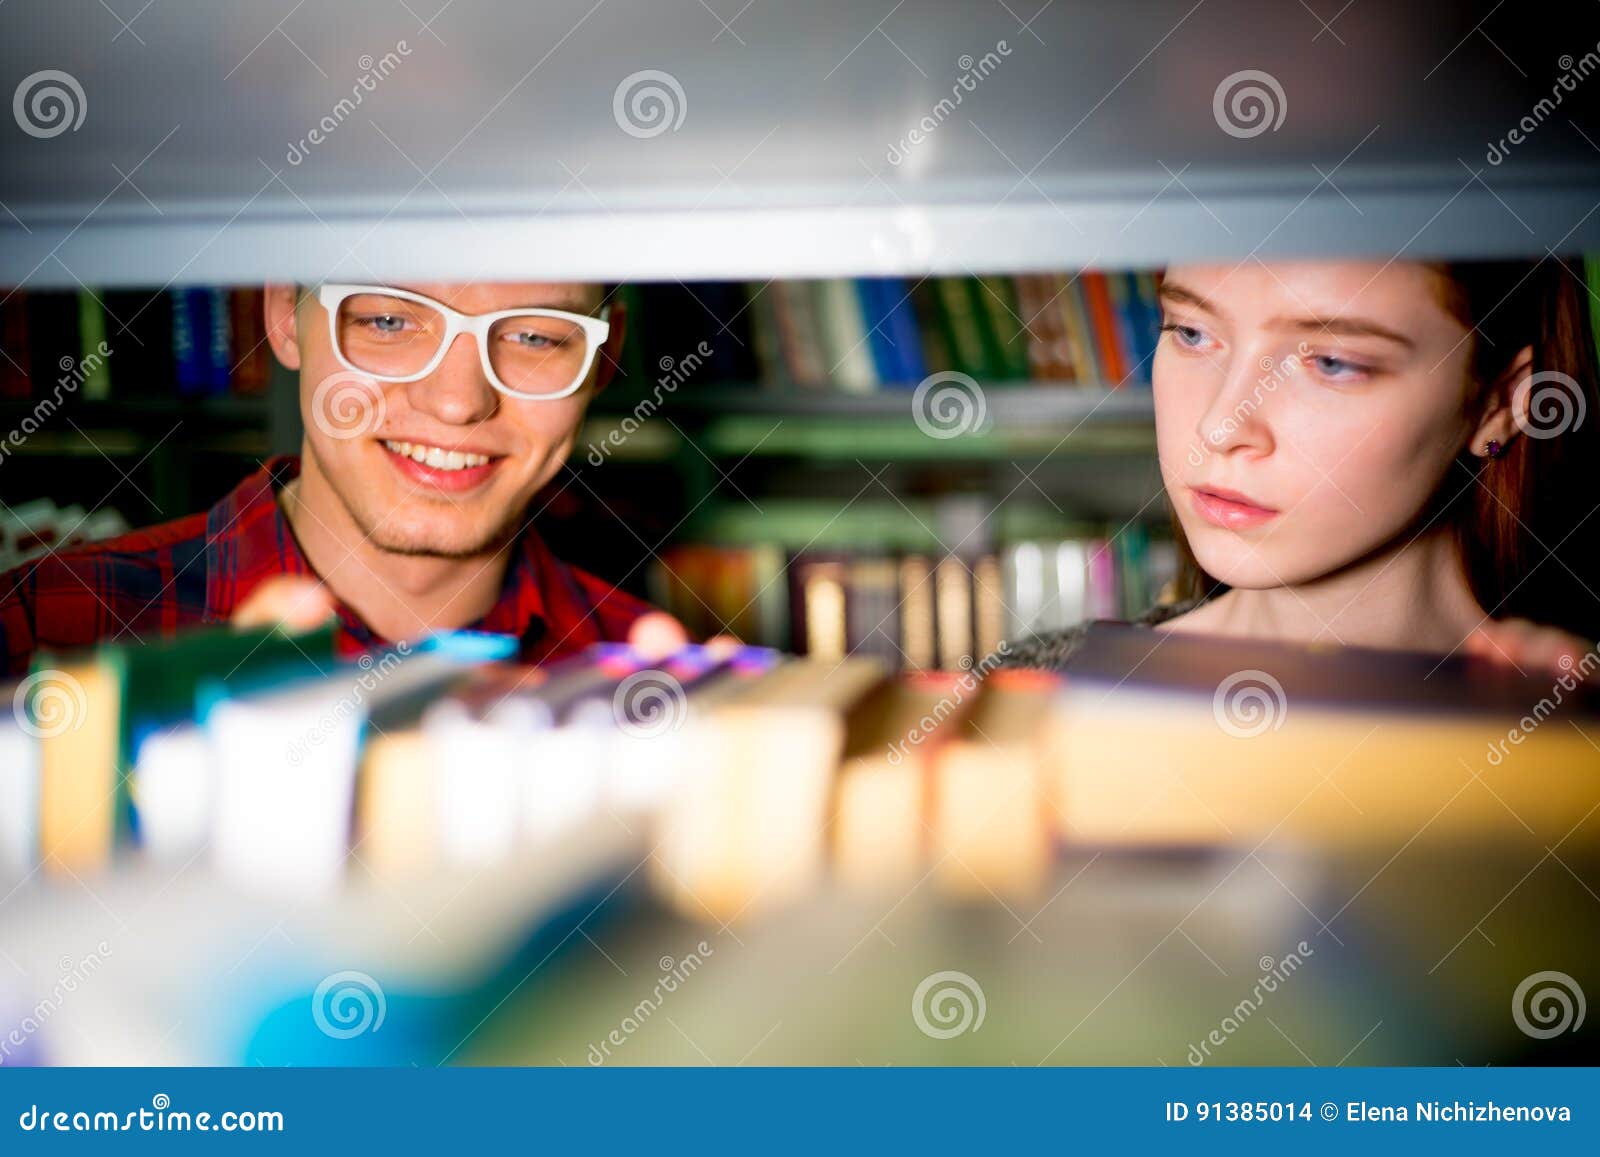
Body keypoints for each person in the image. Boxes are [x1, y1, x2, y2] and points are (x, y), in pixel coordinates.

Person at [1, 281, 694, 676]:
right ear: (283, 317)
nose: (457, 402)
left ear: (605, 359)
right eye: (388, 319)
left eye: (536, 337)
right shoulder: (36, 627)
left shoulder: (657, 680)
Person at [1004, 258, 1600, 674]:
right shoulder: (1030, 695)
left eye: (1333, 363)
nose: (1220, 426)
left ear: (1501, 404)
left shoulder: (1565, 736)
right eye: (1190, 331)